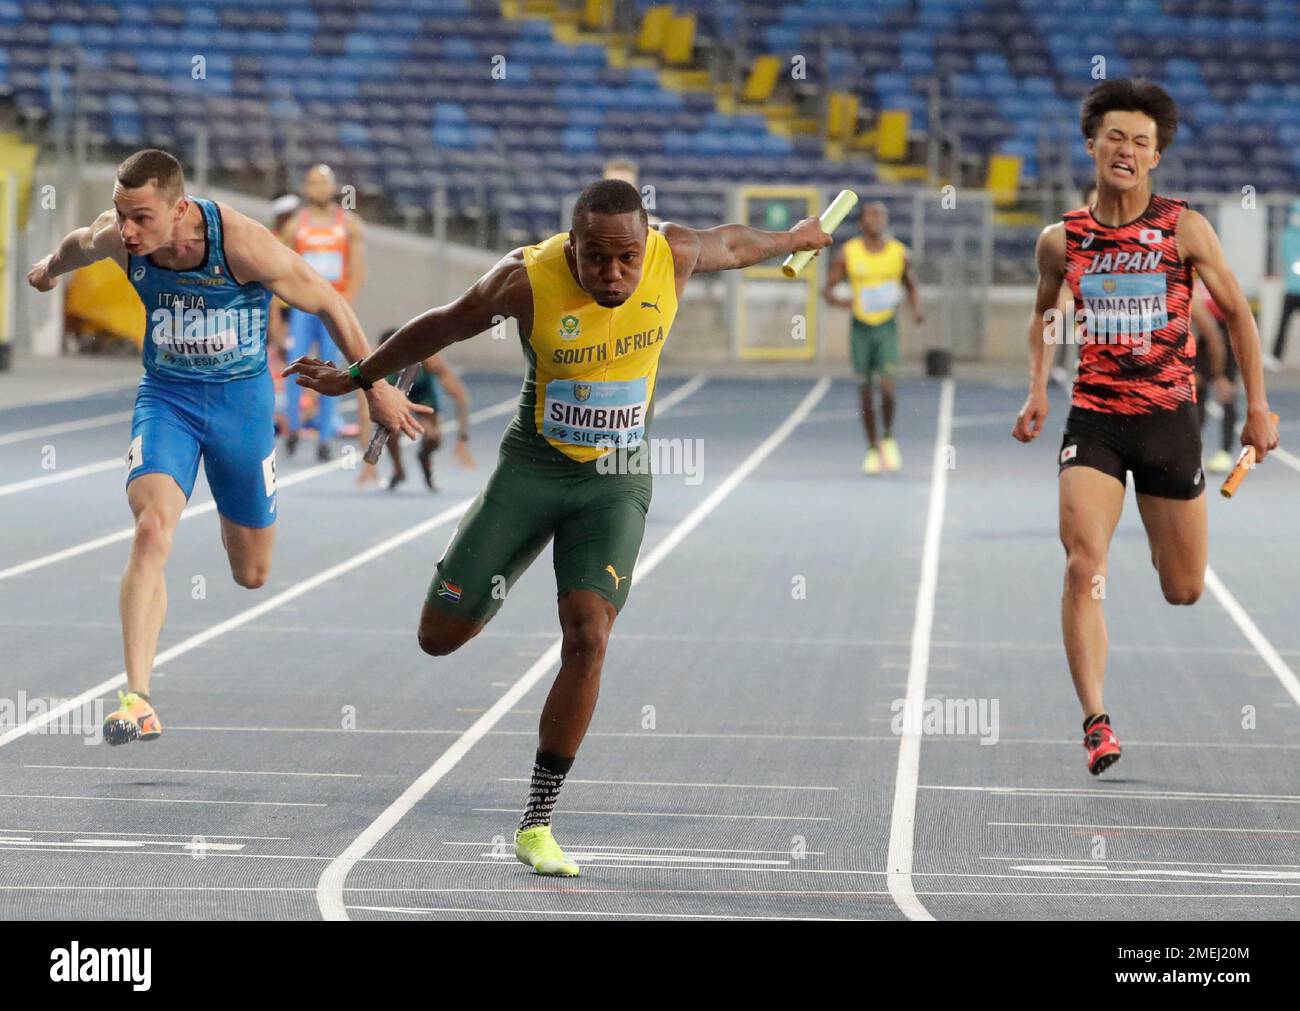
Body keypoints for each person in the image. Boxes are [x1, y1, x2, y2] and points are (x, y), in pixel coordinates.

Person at [285, 178, 832, 875]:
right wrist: (360, 377)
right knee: (438, 636)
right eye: (597, 257)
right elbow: (444, 322)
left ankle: (537, 820)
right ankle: (497, 567)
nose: (613, 273)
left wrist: (796, 237)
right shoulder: (526, 279)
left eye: (627, 258)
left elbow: (736, 242)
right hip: (532, 468)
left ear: (647, 246)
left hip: (614, 479)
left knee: (589, 633)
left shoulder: (675, 255)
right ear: (572, 246)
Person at [25, 149, 426, 745]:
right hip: (168, 401)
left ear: (178, 209)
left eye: (141, 218)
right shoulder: (118, 236)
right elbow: (79, 243)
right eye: (121, 214)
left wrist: (370, 390)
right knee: (151, 529)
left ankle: (238, 515)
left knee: (252, 573)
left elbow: (329, 300)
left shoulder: (240, 242)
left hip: (241, 408)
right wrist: (50, 270)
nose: (129, 230)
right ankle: (137, 697)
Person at [1011, 80, 1278, 775]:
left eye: (1140, 142)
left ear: (1155, 157)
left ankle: (1156, 554)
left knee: (1183, 586)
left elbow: (1241, 317)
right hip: (1095, 420)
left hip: (1168, 423)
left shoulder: (1183, 228)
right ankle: (1096, 720)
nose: (1125, 151)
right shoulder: (1061, 240)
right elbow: (1045, 316)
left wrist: (1256, 406)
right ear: (1092, 145)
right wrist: (1038, 387)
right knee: (1080, 564)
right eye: (1115, 138)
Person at [822, 201, 922, 474]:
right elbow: (827, 290)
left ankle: (888, 437)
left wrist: (916, 309)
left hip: (886, 326)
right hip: (861, 327)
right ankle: (871, 448)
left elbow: (911, 284)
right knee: (865, 389)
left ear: (887, 221)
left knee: (888, 386)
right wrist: (844, 303)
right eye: (870, 215)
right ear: (861, 223)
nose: (876, 219)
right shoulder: (848, 253)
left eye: (880, 214)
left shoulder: (899, 253)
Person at [279, 164, 367, 464]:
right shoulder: (295, 225)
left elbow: (356, 271)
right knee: (295, 369)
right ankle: (292, 429)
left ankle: (326, 437)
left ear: (333, 188)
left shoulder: (349, 224)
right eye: (313, 183)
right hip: (303, 309)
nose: (318, 189)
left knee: (334, 371)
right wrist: (282, 308)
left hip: (333, 307)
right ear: (306, 188)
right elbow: (281, 268)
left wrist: (345, 306)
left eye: (323, 183)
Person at [373, 328, 476, 491]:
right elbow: (366, 411)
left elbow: (461, 397)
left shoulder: (428, 359)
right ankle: (399, 470)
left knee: (433, 438)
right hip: (394, 394)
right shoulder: (374, 364)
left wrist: (462, 438)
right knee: (388, 426)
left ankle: (425, 457)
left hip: (423, 397)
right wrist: (370, 456)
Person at [1190, 275, 1238, 474]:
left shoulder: (1221, 281)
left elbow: (1219, 338)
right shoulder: (1187, 282)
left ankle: (1225, 452)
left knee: (1226, 395)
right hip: (1203, 343)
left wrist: (1220, 376)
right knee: (1196, 393)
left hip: (1227, 341)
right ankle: (1193, 450)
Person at [1268, 198, 1300, 369]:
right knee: (1283, 324)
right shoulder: (1287, 235)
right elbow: (1286, 257)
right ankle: (1275, 356)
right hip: (1292, 289)